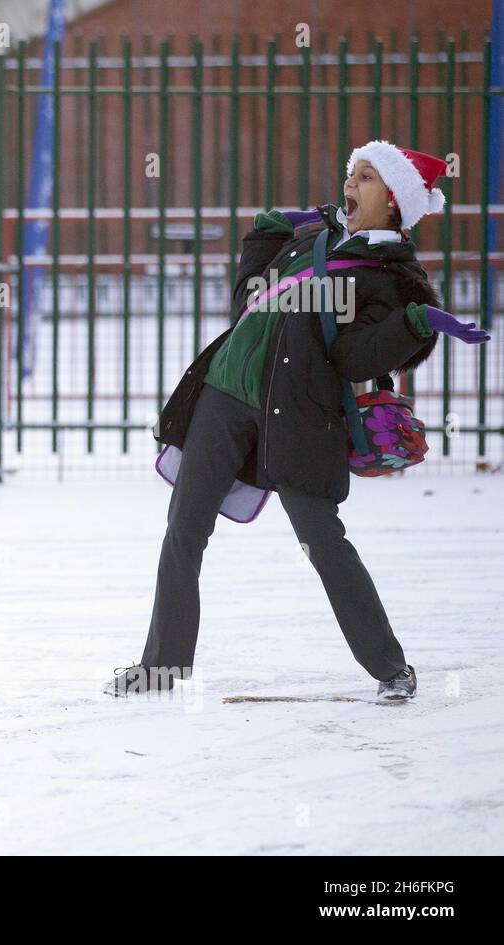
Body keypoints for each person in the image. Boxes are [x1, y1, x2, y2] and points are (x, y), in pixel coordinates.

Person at [109, 141, 490, 700]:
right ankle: (162, 667)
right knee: (183, 533)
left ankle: (390, 669)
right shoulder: (312, 240)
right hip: (226, 394)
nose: (349, 185)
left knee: (322, 542)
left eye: (365, 177)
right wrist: (264, 237)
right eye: (350, 174)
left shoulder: (389, 278)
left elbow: (355, 359)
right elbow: (247, 302)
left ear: (394, 203)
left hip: (300, 419)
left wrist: (415, 321)